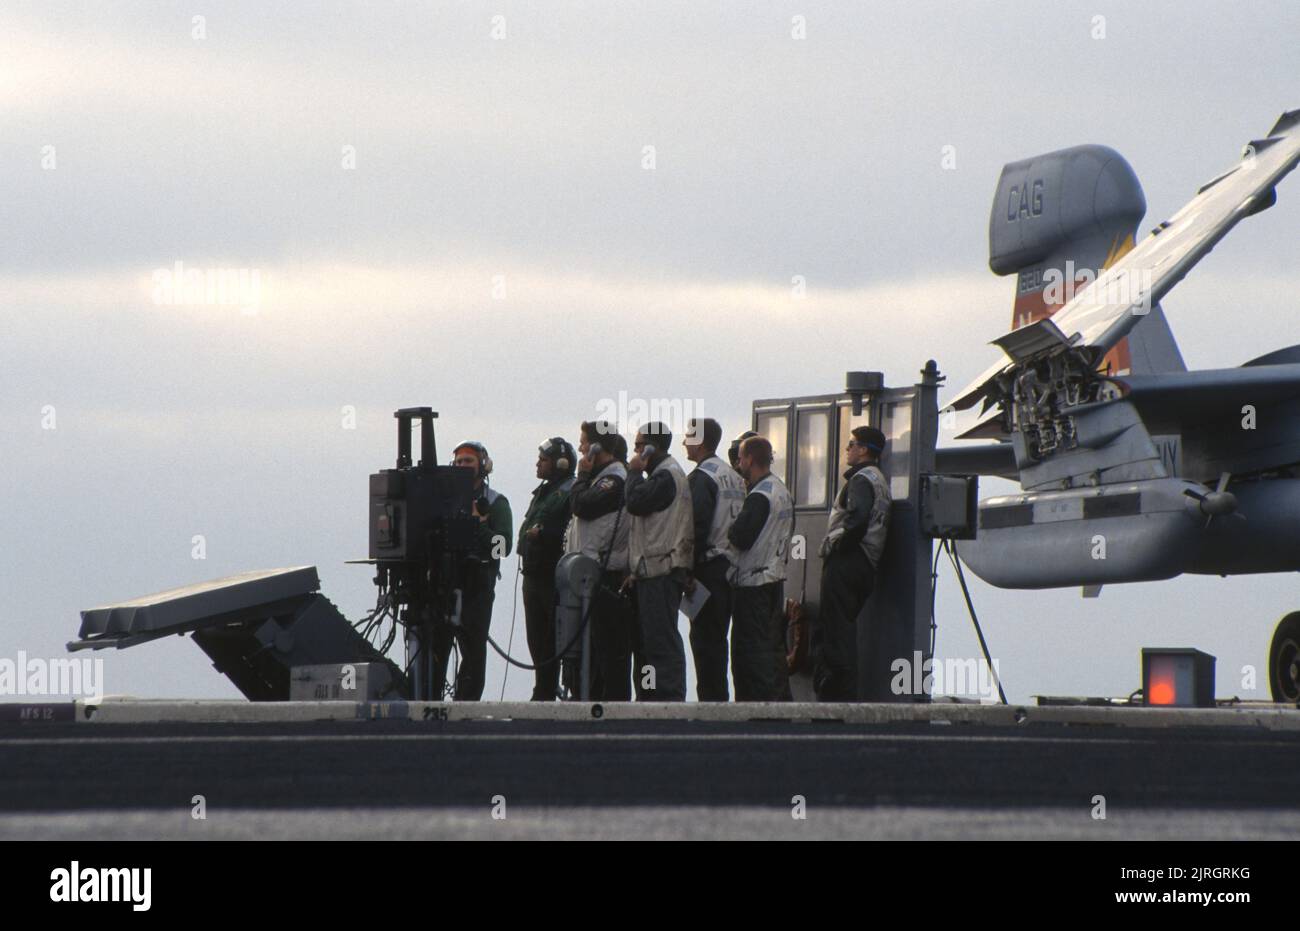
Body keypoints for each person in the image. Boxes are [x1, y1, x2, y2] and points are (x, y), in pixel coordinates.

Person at [813, 425, 891, 701]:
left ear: (865, 450)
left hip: (848, 561)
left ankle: (836, 700)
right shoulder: (880, 480)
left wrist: (836, 545)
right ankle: (843, 695)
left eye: (852, 443)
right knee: (843, 628)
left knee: (835, 632)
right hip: (866, 563)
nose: (847, 448)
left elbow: (856, 522)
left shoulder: (861, 480)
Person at [432, 441, 512, 701]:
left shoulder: (496, 502)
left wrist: (479, 524)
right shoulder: (442, 500)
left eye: (469, 461)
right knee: (436, 647)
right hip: (444, 583)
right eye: (459, 462)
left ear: (483, 466)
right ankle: (430, 702)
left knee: (473, 650)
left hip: (478, 584)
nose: (463, 466)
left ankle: (466, 708)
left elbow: (503, 547)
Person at [624, 421, 693, 701]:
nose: (635, 450)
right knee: (650, 643)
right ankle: (650, 695)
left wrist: (633, 473)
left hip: (661, 570)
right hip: (651, 569)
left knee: (660, 641)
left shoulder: (665, 477)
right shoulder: (667, 474)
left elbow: (636, 502)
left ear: (651, 447)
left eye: (639, 445)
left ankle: (666, 698)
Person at [566, 421, 633, 701]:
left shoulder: (613, 478)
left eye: (583, 442)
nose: (580, 448)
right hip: (590, 570)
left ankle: (612, 711)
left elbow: (582, 505)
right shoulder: (603, 476)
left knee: (609, 652)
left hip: (606, 573)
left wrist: (581, 475)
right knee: (591, 652)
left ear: (596, 447)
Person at [728, 435, 795, 701]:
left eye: (741, 458)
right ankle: (779, 704)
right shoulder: (781, 490)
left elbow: (740, 537)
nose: (738, 462)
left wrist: (733, 525)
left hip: (752, 584)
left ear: (751, 460)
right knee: (773, 649)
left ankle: (755, 709)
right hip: (774, 579)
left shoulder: (758, 496)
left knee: (750, 652)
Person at [683, 417, 745, 701]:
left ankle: (711, 705)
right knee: (719, 639)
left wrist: (687, 570)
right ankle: (720, 699)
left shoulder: (701, 478)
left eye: (689, 437)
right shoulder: (733, 475)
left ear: (701, 441)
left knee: (705, 641)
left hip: (707, 568)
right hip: (731, 567)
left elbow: (694, 527)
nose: (685, 442)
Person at [518, 437, 576, 701]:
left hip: (552, 576)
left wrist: (543, 535)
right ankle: (543, 688)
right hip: (532, 574)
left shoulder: (570, 491)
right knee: (536, 641)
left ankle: (547, 691)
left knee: (552, 641)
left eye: (543, 459)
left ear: (560, 463)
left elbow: (568, 531)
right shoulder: (543, 492)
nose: (538, 464)